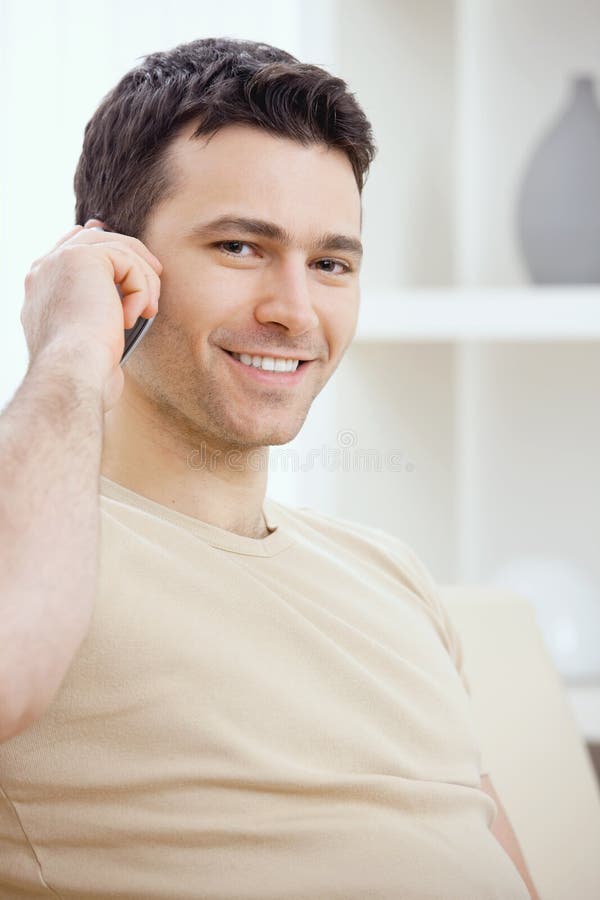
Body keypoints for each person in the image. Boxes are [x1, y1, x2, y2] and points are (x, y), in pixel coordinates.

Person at [0, 37, 538, 900]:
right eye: (241, 248)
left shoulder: (390, 577)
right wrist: (70, 345)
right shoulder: (41, 554)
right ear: (111, 264)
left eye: (330, 264)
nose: (294, 311)